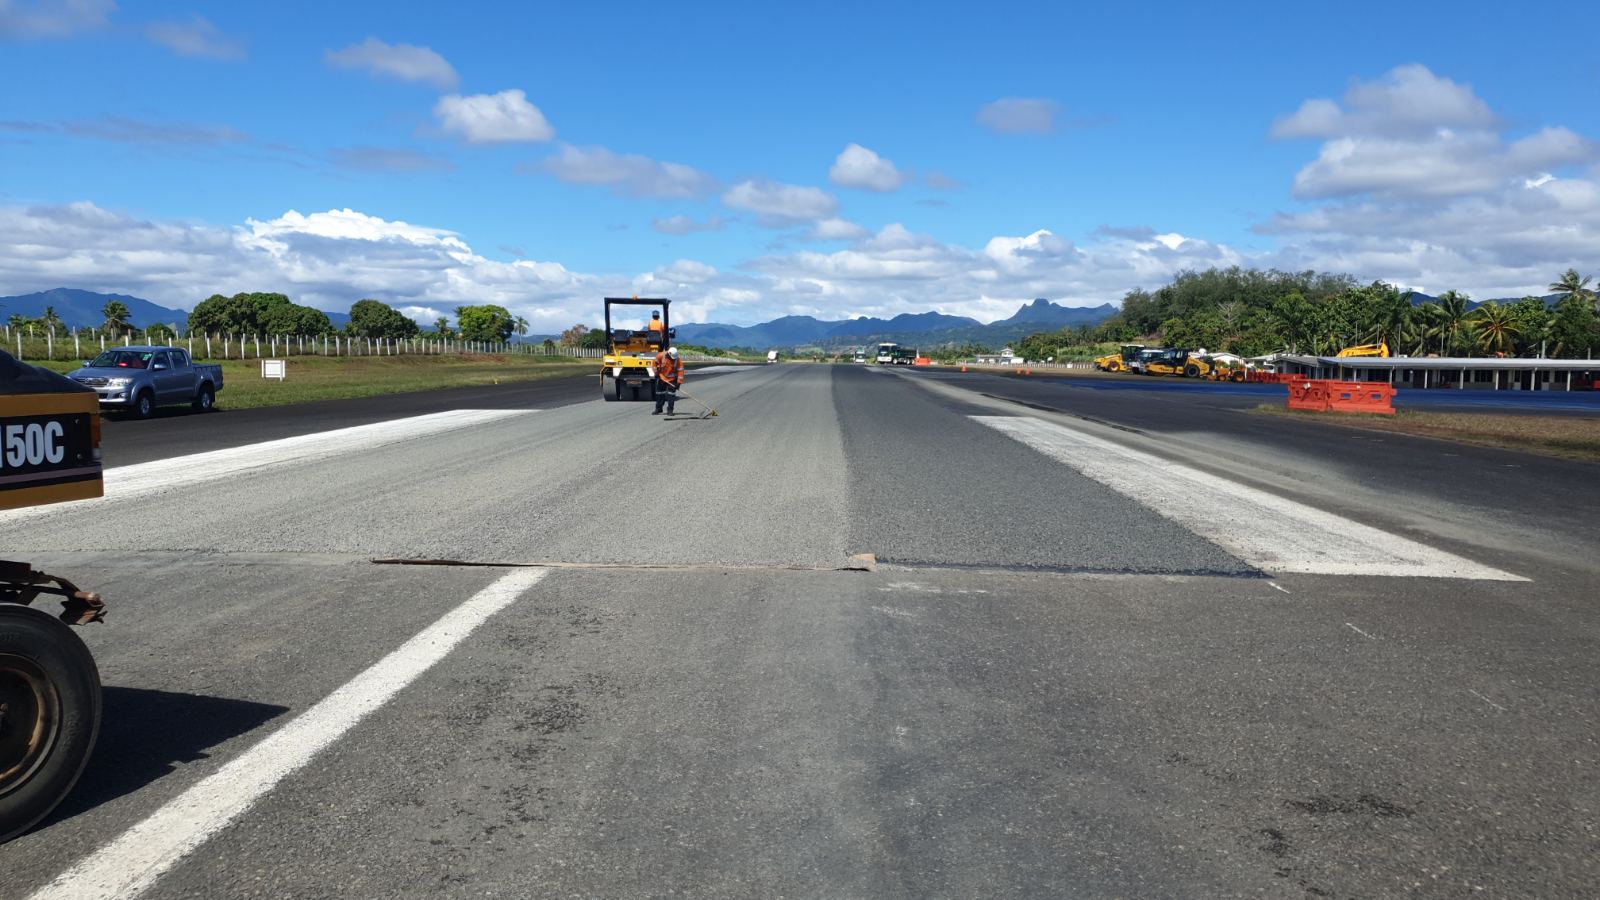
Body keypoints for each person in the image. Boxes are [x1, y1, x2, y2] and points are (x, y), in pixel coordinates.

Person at [653, 346, 683, 415]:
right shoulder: (660, 355)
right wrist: (656, 373)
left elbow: (680, 372)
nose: (672, 359)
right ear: (668, 354)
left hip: (672, 379)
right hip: (662, 378)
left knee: (671, 395)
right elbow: (654, 363)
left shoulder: (678, 360)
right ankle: (658, 409)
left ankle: (670, 410)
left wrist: (678, 383)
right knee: (659, 394)